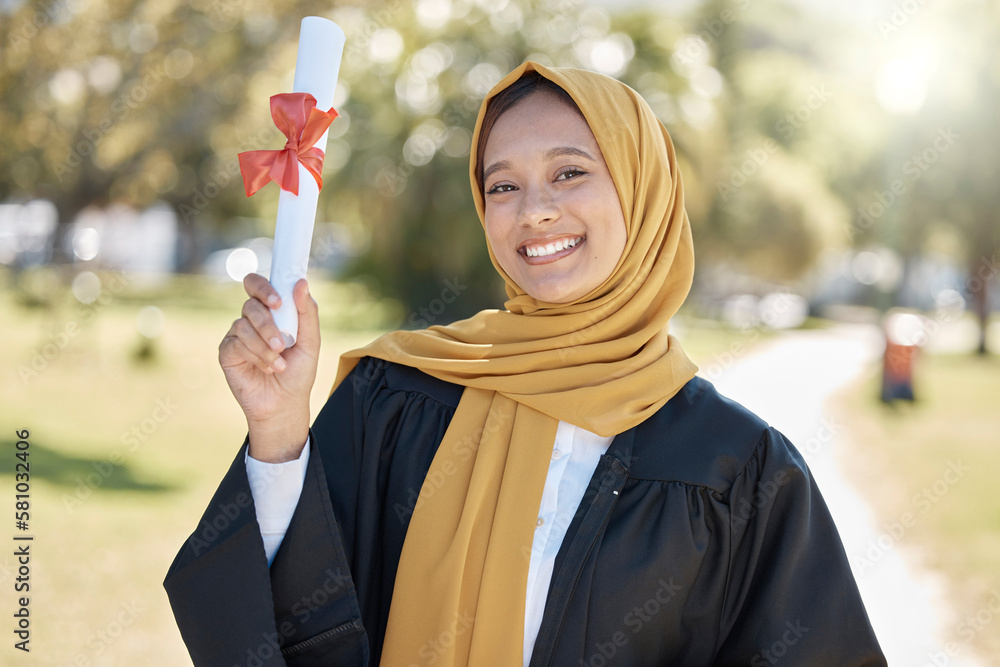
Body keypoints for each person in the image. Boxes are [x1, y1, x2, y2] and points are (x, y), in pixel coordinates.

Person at [165, 61, 886, 666]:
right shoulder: (400, 395)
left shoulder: (738, 468)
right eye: (502, 185)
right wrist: (280, 430)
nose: (533, 210)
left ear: (643, 191)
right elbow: (287, 619)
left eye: (569, 172)